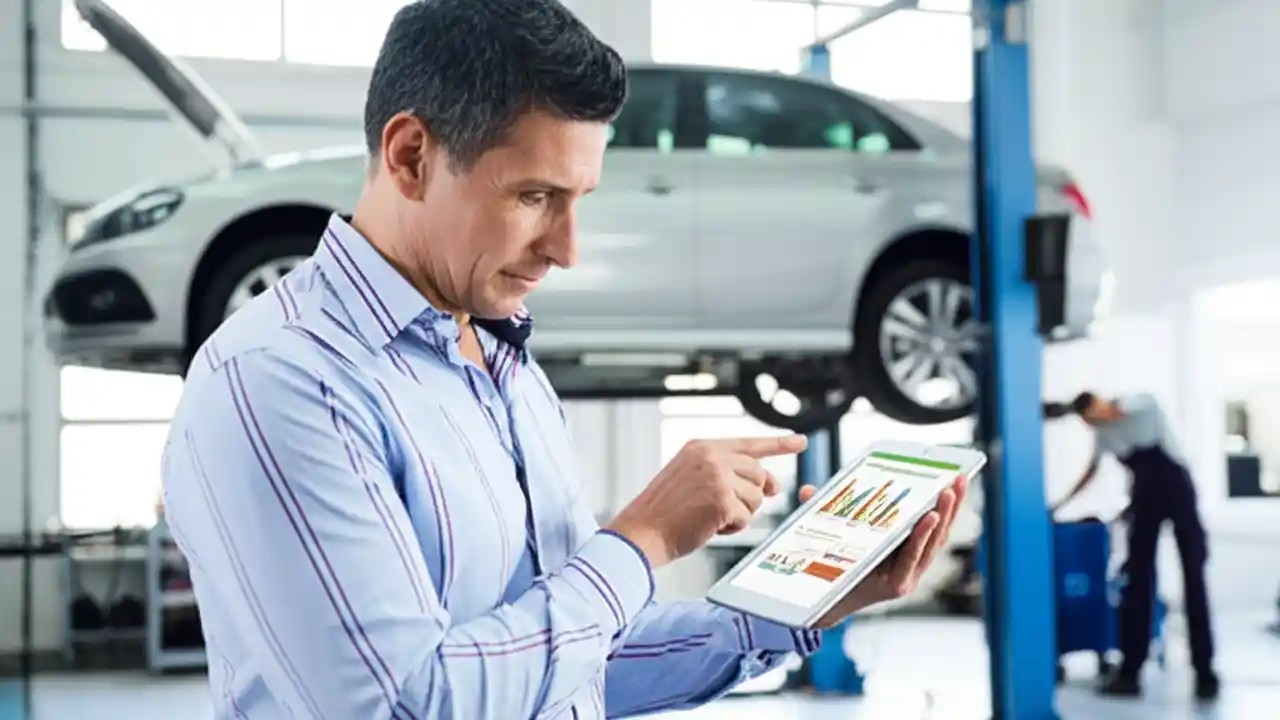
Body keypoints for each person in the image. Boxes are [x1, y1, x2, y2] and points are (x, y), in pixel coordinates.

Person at [159, 2, 968, 717]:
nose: (567, 249)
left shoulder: (504, 370)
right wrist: (643, 540)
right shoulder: (280, 379)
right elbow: (407, 705)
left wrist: (797, 609)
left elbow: (567, 663)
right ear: (409, 156)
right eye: (535, 197)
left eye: (579, 200)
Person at [1053, 391, 1218, 700]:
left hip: (1178, 490)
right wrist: (1061, 503)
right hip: (1144, 497)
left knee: (1194, 579)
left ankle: (1205, 673)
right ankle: (1130, 672)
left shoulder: (1140, 404)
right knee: (1137, 581)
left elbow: (1121, 410)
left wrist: (1104, 412)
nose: (1093, 424)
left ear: (1100, 404)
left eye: (1092, 416)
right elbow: (1091, 471)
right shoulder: (1102, 434)